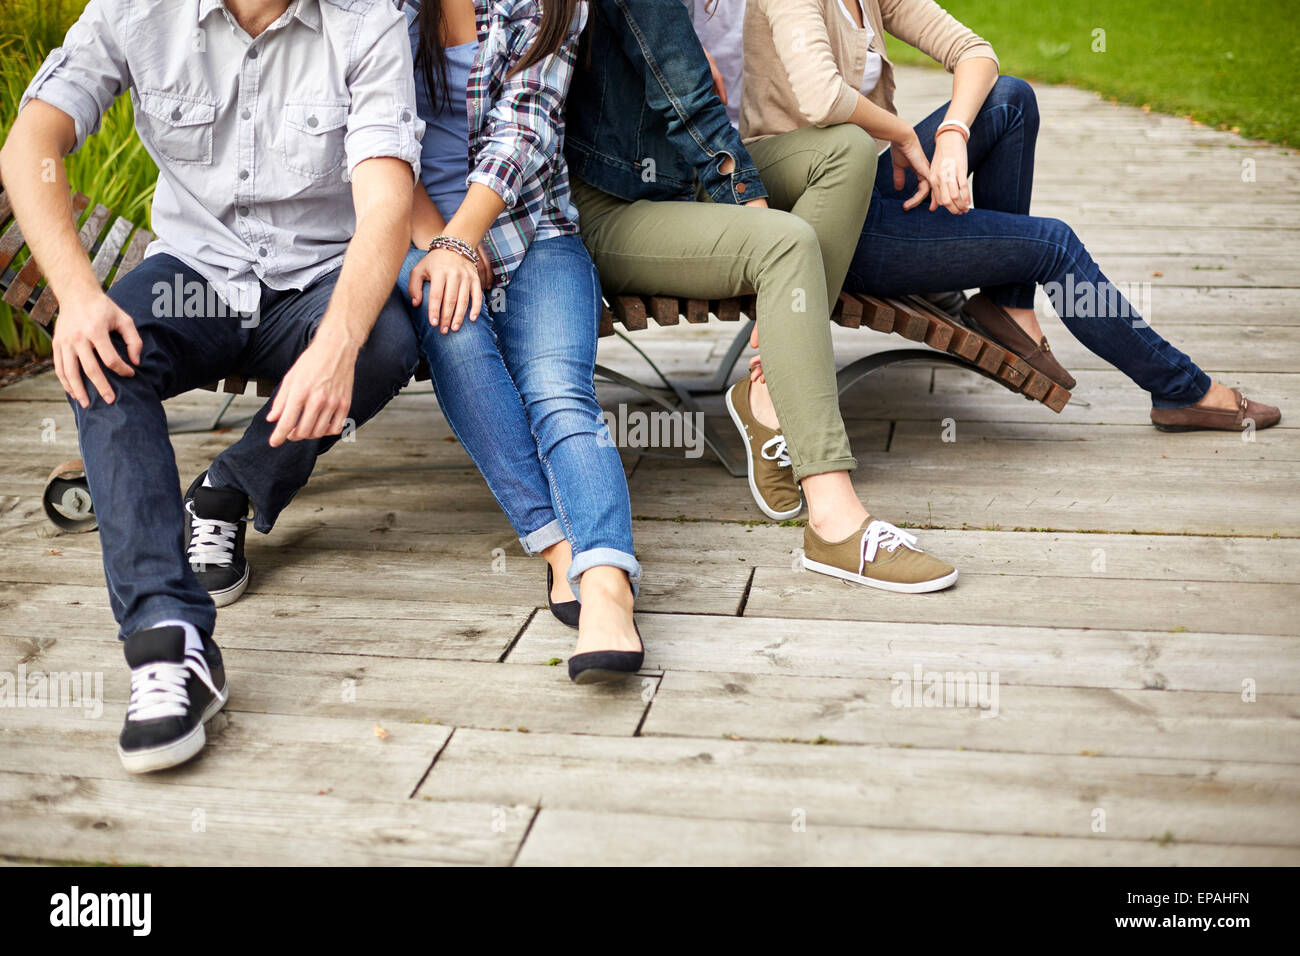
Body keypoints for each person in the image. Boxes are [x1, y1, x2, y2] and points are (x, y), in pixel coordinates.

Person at [0, 0, 425, 772]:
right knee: (102, 353)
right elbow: (33, 138)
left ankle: (230, 487)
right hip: (195, 276)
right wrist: (79, 296)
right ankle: (168, 640)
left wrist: (337, 341)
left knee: (386, 341)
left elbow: (387, 202)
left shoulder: (367, 18)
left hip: (316, 277)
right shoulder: (139, 9)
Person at [727, 0, 1280, 433]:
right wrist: (904, 136)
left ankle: (1008, 304)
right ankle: (1182, 391)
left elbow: (975, 51)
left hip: (871, 182)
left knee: (1011, 99)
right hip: (827, 222)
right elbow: (822, 97)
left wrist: (952, 133)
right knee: (1053, 246)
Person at [566, 0, 960, 594]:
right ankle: (833, 521)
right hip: (615, 202)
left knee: (848, 148)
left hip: (679, 173)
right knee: (785, 243)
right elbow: (687, 95)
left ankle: (768, 395)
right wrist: (753, 210)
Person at [396, 0, 644, 682]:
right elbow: (375, 138)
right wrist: (440, 247)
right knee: (454, 331)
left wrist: (464, 237)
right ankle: (564, 551)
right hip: (418, 234)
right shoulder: (383, 10)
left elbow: (526, 127)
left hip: (533, 231)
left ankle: (608, 587)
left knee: (558, 391)